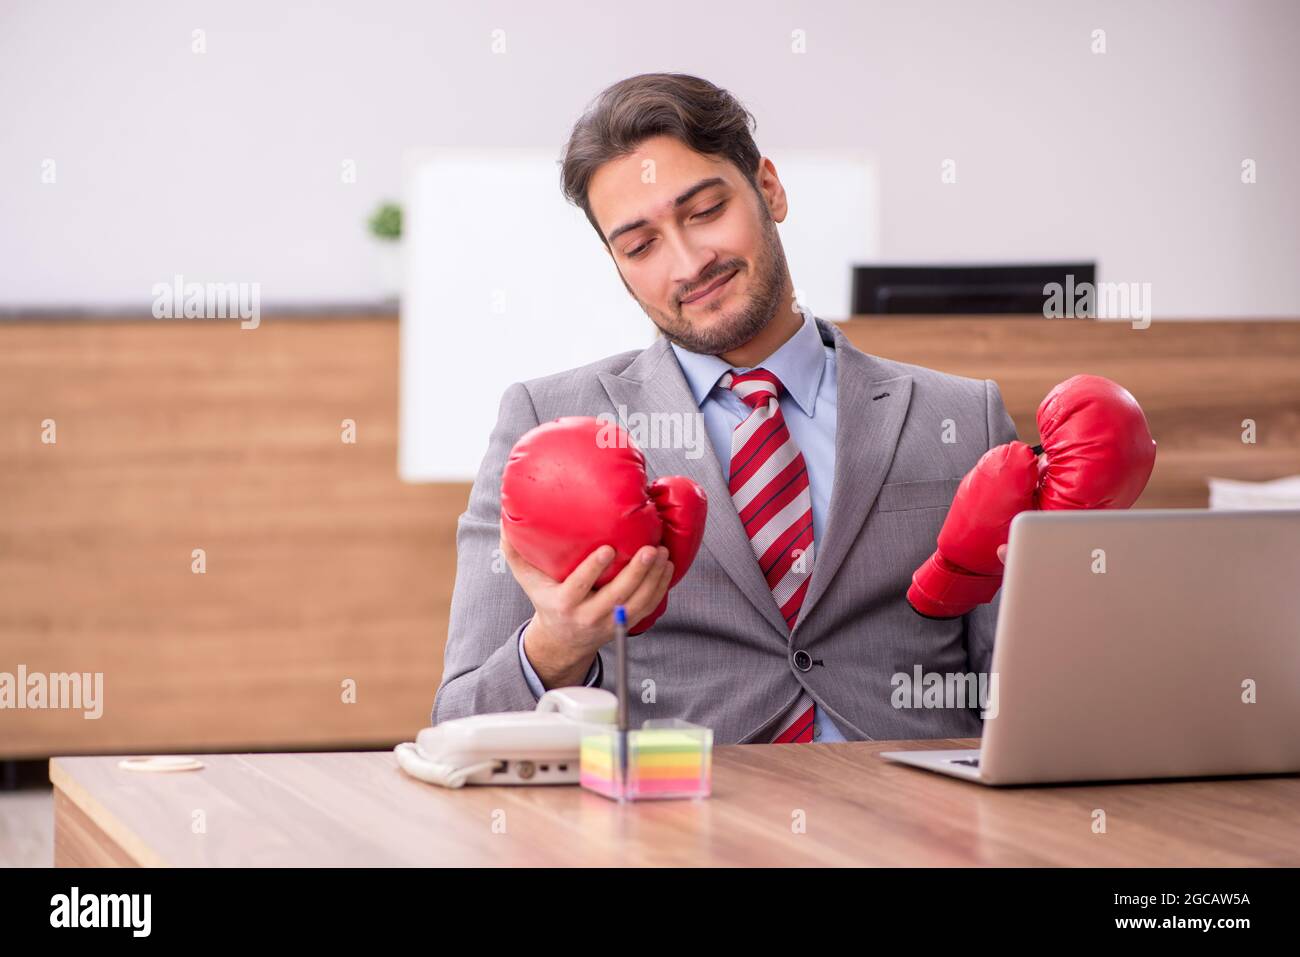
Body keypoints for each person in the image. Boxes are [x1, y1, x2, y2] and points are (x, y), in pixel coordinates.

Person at [433, 73, 1018, 744]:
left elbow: (1027, 687)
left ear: (768, 187)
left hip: (919, 826)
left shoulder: (962, 415)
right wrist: (555, 645)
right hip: (679, 828)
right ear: (616, 264)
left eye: (706, 210)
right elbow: (461, 722)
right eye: (641, 245)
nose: (689, 262)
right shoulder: (547, 419)